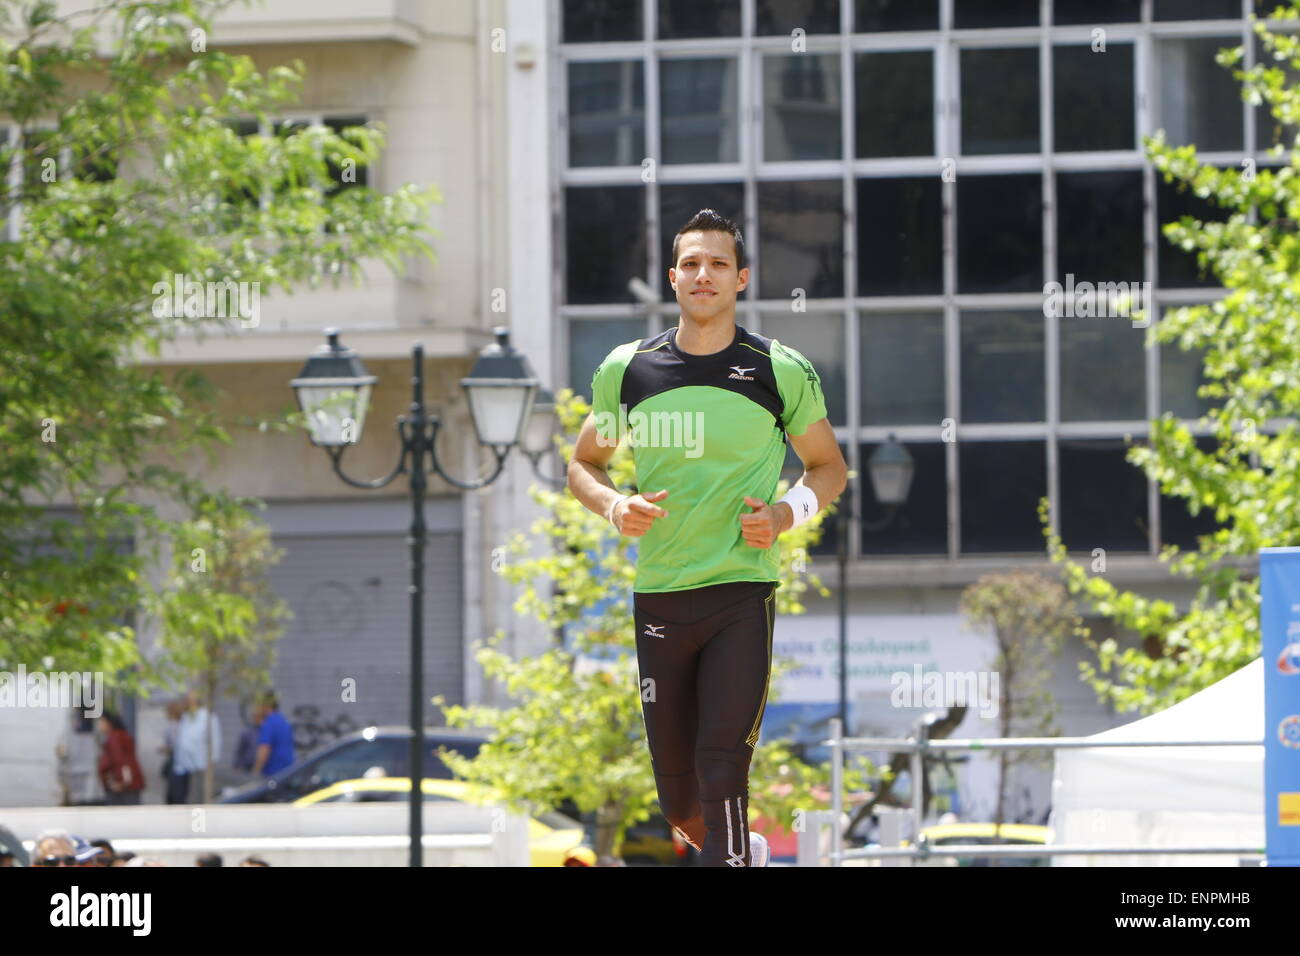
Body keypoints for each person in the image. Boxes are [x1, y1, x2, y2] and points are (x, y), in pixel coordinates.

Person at [568, 209, 847, 867]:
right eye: (691, 263)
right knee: (679, 800)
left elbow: (829, 467)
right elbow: (584, 464)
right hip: (660, 596)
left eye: (717, 263)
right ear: (672, 277)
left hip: (740, 594)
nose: (703, 274)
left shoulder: (780, 370)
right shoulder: (627, 371)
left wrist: (785, 515)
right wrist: (615, 508)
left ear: (741, 278)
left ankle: (731, 856)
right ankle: (736, 850)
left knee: (723, 764)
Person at [174, 689, 221, 802]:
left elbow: (215, 743)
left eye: (188, 700)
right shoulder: (186, 717)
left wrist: (210, 764)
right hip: (182, 767)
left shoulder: (208, 717)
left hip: (199, 766)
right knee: (179, 800)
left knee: (196, 802)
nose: (185, 703)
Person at [97, 711, 145, 805]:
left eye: (100, 722)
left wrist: (123, 782)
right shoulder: (116, 736)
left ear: (107, 723)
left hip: (124, 787)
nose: (99, 725)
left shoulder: (115, 737)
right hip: (124, 784)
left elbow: (121, 761)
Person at [251, 692, 295, 777]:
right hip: (287, 772)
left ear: (266, 705)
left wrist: (255, 771)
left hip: (273, 775)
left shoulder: (269, 723)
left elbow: (264, 749)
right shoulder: (283, 721)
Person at [161, 698, 188, 804]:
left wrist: (165, 748)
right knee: (179, 791)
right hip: (182, 762)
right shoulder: (182, 725)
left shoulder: (174, 726)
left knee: (175, 793)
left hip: (177, 761)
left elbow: (174, 745)